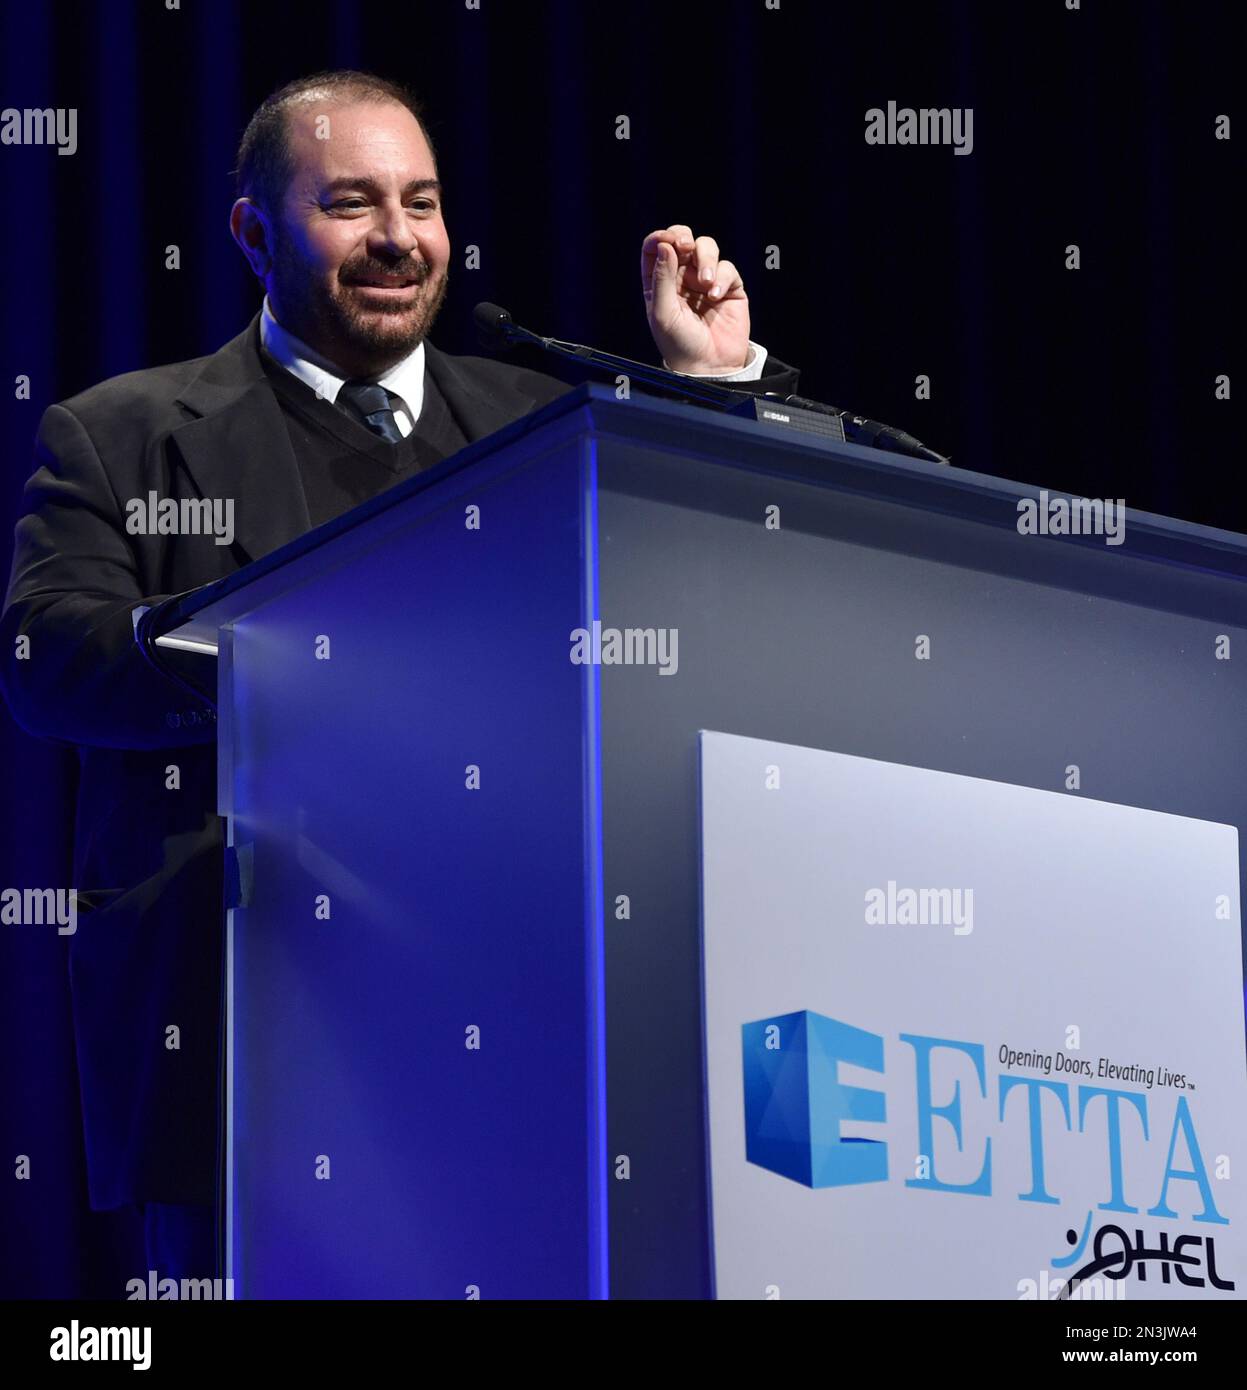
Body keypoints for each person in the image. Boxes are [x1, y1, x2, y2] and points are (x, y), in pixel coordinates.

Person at [0, 69, 800, 1283]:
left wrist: (705, 398)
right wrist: (268, 638)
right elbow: (46, 658)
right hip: (244, 1039)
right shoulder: (124, 432)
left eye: (420, 203)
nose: (397, 238)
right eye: (352, 204)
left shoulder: (544, 423)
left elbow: (691, 612)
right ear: (252, 233)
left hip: (526, 1015)